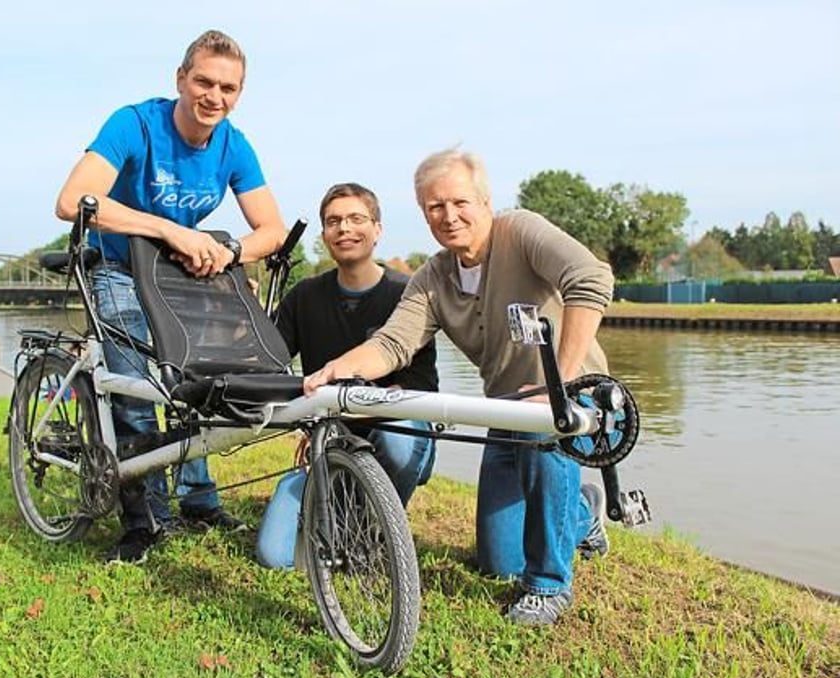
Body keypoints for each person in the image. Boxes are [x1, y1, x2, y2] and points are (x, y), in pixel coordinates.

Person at [303, 149, 614, 626]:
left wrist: (559, 385)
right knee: (498, 561)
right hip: (504, 413)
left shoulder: (522, 231)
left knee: (544, 439)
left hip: (577, 404)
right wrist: (335, 369)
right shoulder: (434, 277)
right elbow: (392, 344)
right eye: (434, 207)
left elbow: (590, 278)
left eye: (459, 202)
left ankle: (549, 585)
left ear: (485, 201)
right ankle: (582, 514)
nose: (449, 216)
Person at [55, 29, 287, 564]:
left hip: (179, 272)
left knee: (196, 381)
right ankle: (143, 520)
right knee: (138, 390)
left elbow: (271, 228)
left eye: (228, 87)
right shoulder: (135, 124)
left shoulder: (233, 143)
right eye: (204, 81)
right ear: (181, 79)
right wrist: (168, 228)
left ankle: (199, 500)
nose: (215, 96)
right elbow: (73, 201)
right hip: (116, 264)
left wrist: (231, 254)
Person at [255, 182, 439, 569]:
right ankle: (334, 503)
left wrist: (351, 411)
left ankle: (374, 534)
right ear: (323, 235)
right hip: (330, 437)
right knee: (275, 556)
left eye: (357, 219)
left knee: (398, 441)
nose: (344, 229)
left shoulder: (407, 294)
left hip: (397, 428)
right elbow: (266, 363)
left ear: (377, 228)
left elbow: (423, 386)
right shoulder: (303, 296)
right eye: (333, 221)